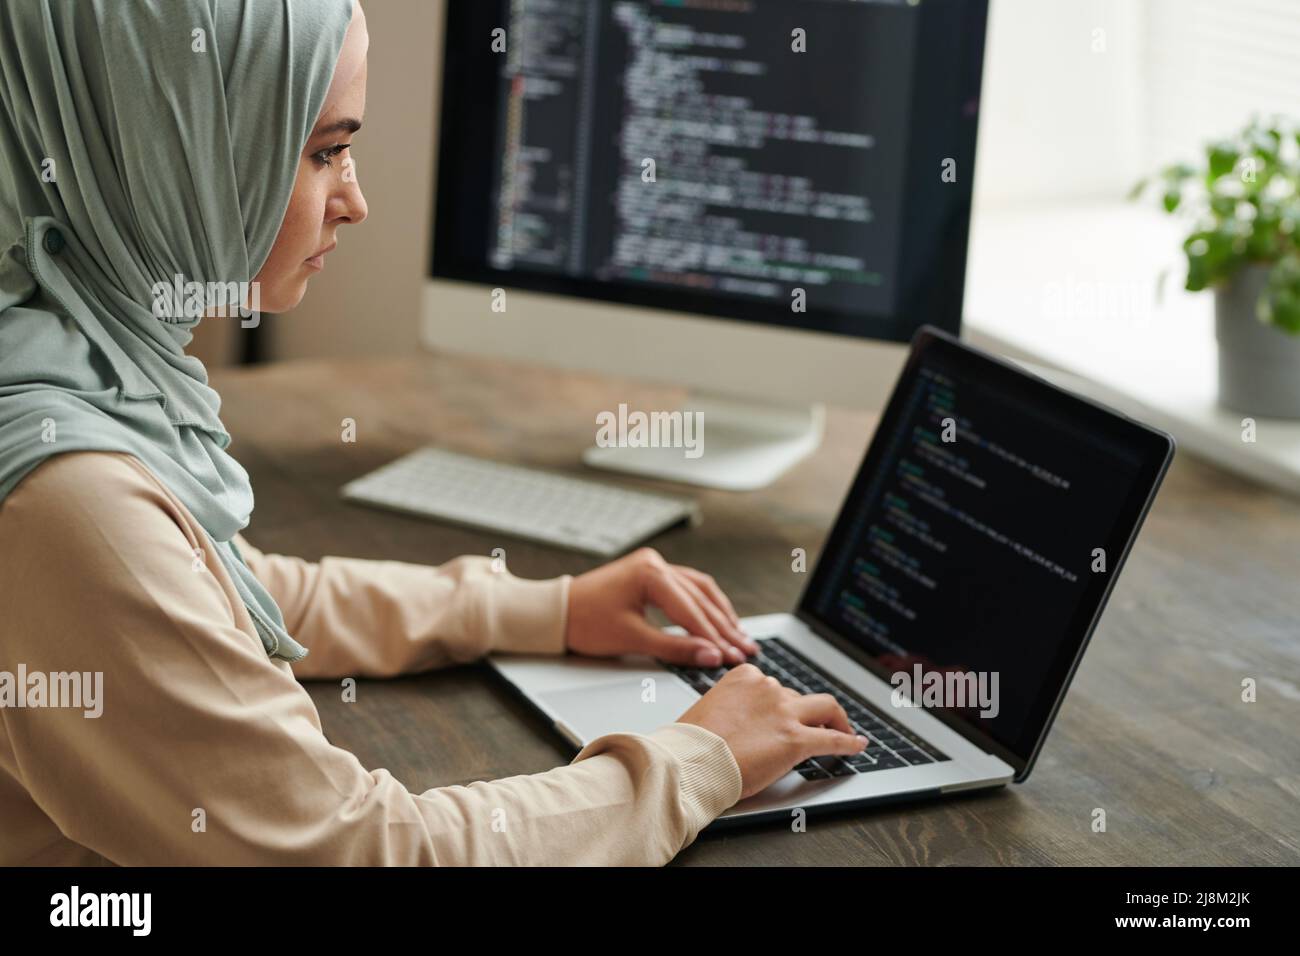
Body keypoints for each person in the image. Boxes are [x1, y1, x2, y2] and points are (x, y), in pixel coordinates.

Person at [0, 0, 865, 866]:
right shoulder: (66, 492)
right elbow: (354, 851)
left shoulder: (58, 353)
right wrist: (694, 762)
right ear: (165, 149)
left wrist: (546, 608)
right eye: (325, 151)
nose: (357, 201)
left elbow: (233, 595)